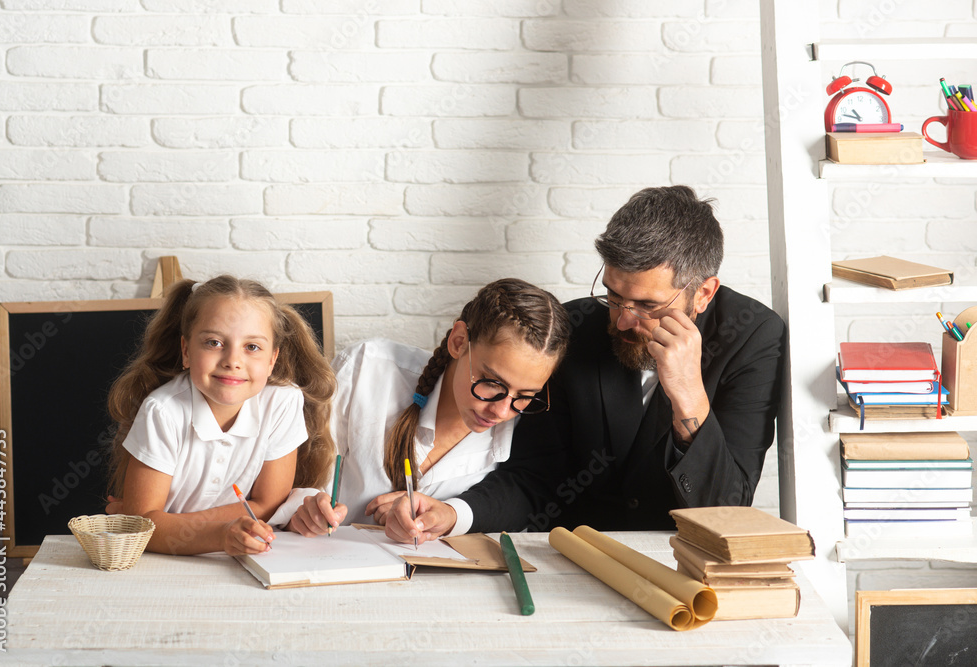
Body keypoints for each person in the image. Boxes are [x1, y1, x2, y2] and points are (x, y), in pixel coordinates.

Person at [383, 185, 787, 542]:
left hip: (682, 563)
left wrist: (689, 396)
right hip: (571, 560)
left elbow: (727, 508)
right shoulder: (575, 328)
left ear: (702, 294)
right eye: (613, 295)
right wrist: (453, 512)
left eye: (647, 305)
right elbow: (533, 479)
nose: (623, 320)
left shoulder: (753, 337)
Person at [270, 278, 571, 541]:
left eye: (526, 395)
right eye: (492, 383)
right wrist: (304, 508)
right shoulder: (366, 370)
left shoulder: (525, 429)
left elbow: (522, 499)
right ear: (458, 342)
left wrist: (441, 514)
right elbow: (296, 474)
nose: (502, 411)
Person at [106, 275, 335, 556]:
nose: (232, 361)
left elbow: (270, 504)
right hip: (164, 564)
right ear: (186, 350)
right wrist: (218, 534)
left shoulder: (283, 402)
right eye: (214, 342)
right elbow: (143, 529)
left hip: (249, 557)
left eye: (252, 347)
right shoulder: (162, 411)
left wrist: (165, 522)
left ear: (272, 359)